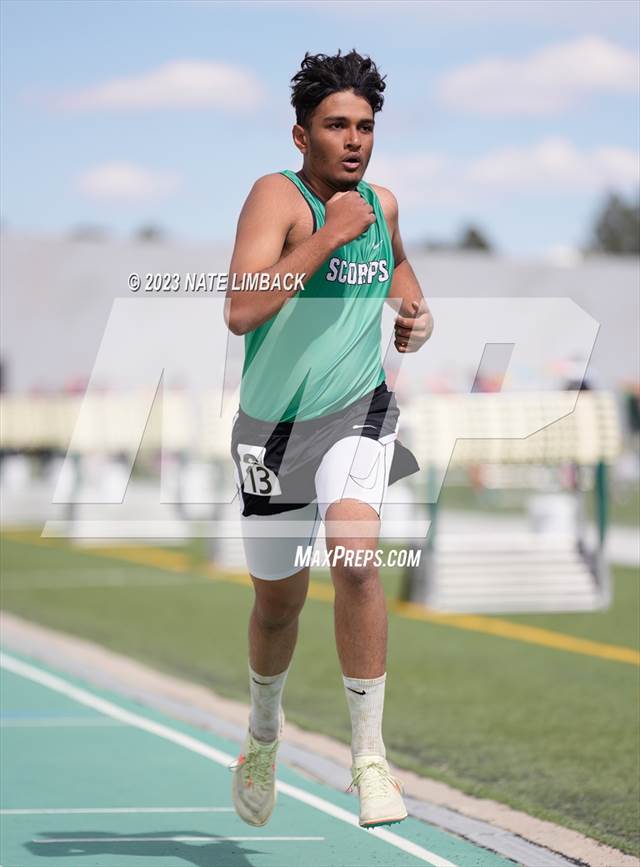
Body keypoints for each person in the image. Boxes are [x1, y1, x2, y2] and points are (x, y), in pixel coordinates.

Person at [224, 49, 433, 829]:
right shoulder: (276, 196)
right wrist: (328, 235)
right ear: (300, 134)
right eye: (336, 125)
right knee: (278, 604)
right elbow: (241, 309)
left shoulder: (382, 204)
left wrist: (416, 312)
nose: (354, 140)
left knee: (354, 551)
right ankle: (264, 732)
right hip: (272, 431)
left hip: (358, 411)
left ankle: (370, 757)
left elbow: (400, 269)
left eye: (365, 126)